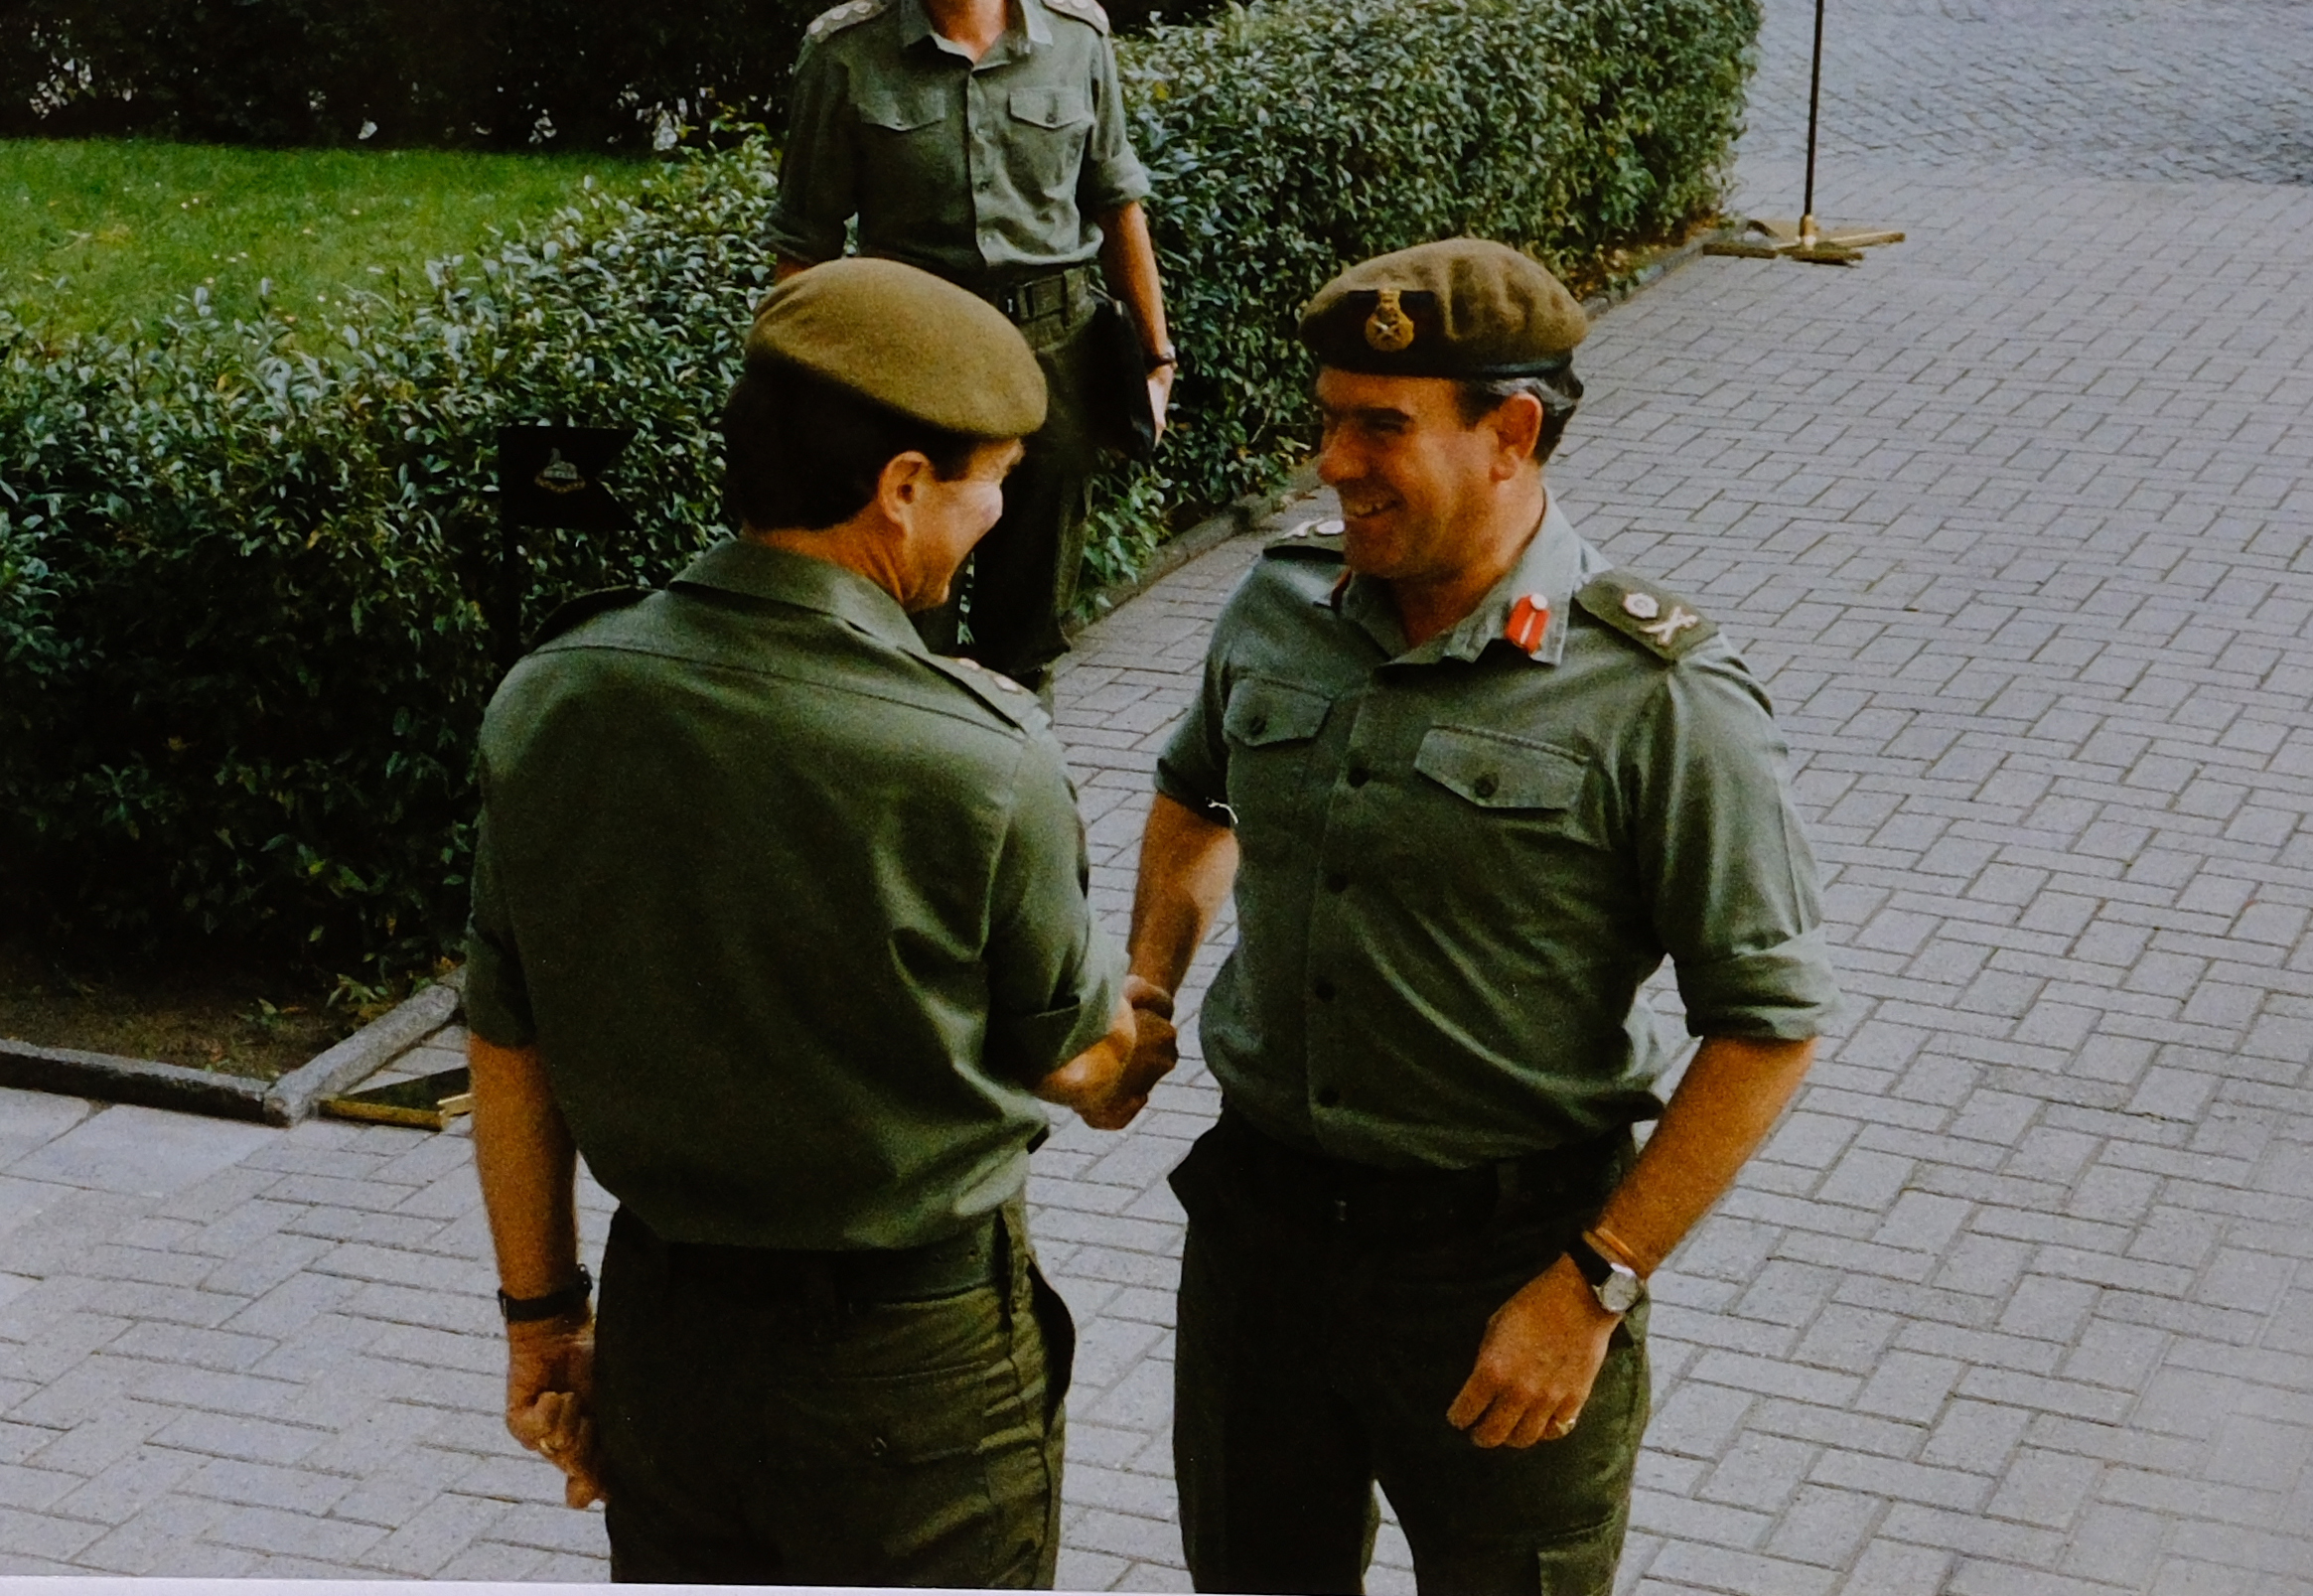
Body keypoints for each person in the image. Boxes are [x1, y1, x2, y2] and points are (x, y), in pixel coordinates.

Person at [1122, 238, 1842, 1595]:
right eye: (1329, 415)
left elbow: (1770, 1021)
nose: (1334, 461)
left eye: (1380, 427)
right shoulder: (1278, 604)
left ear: (1510, 432)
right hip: (1260, 1240)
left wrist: (1593, 1284)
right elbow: (1192, 791)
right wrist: (1150, 990)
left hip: (1505, 1265)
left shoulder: (1655, 692)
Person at [464, 257, 1166, 1587]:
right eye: (993, 479)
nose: (996, 515)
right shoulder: (983, 754)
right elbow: (1074, 1063)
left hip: (667, 1341)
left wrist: (544, 1321)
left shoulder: (551, 697)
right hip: (909, 1369)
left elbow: (508, 1040)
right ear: (900, 486)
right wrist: (1144, 1026)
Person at [766, 0, 1176, 696]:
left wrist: (1157, 361)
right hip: (907, 365)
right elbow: (804, 246)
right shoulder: (845, 53)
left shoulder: (1077, 39)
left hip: (1054, 356)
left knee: (1028, 627)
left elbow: (1116, 203)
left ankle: (1013, 783)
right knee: (906, 624)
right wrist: (793, 401)